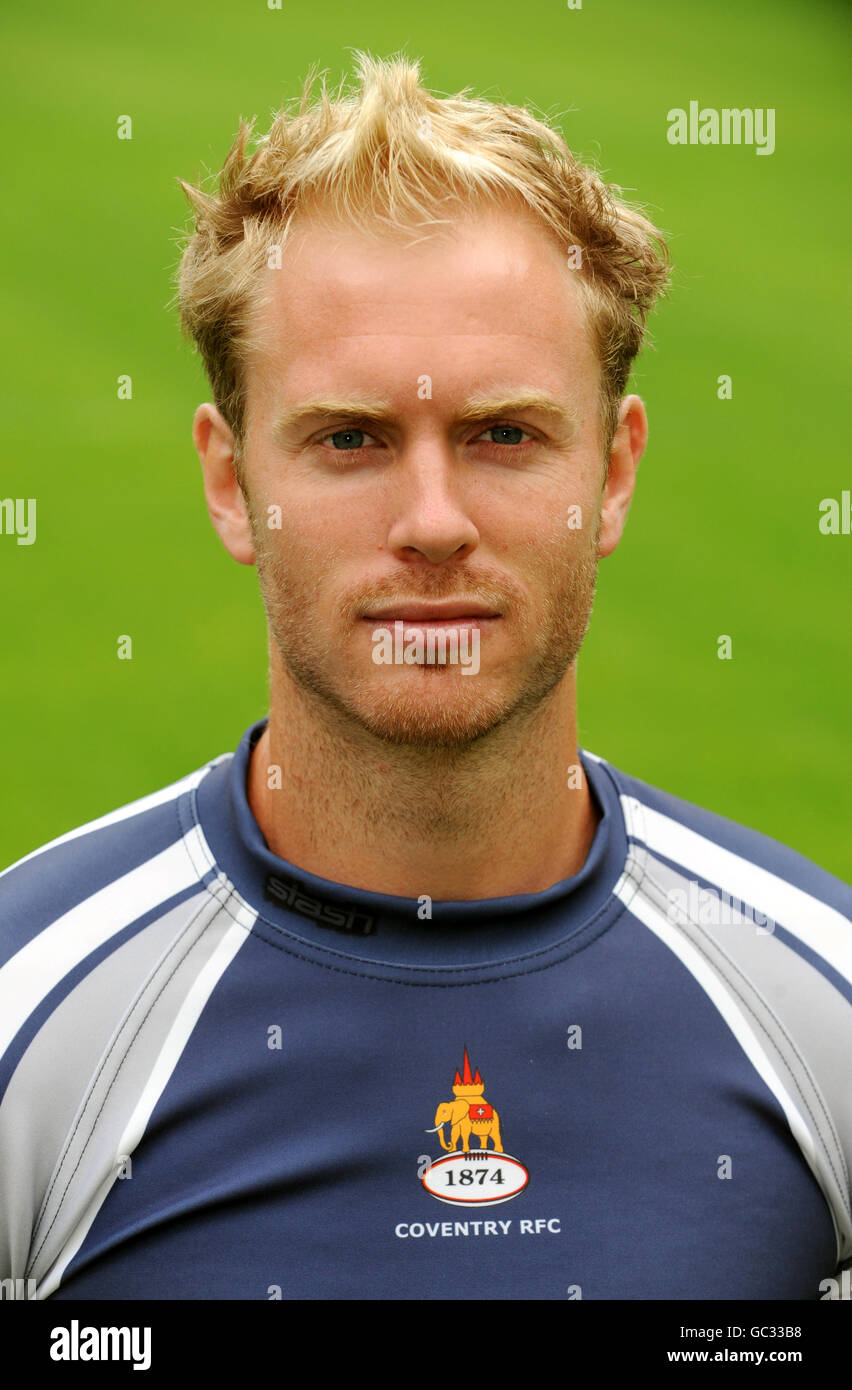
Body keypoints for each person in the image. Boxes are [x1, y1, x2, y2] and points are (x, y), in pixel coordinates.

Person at [1, 51, 850, 1302]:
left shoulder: (821, 1014)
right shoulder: (29, 1022)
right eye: (350, 440)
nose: (435, 520)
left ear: (611, 475)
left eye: (504, 435)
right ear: (233, 482)